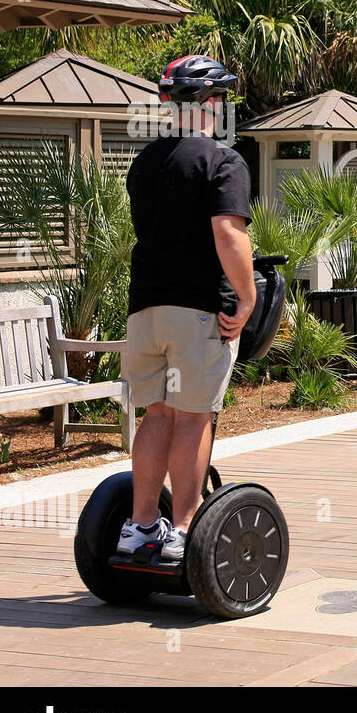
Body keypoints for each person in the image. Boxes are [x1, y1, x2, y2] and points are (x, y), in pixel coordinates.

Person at [117, 55, 255, 559]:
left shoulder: (144, 162)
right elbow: (227, 233)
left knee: (158, 414)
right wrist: (248, 296)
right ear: (212, 102)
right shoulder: (224, 161)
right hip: (198, 311)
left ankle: (139, 526)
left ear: (167, 101)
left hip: (145, 310)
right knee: (195, 418)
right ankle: (182, 530)